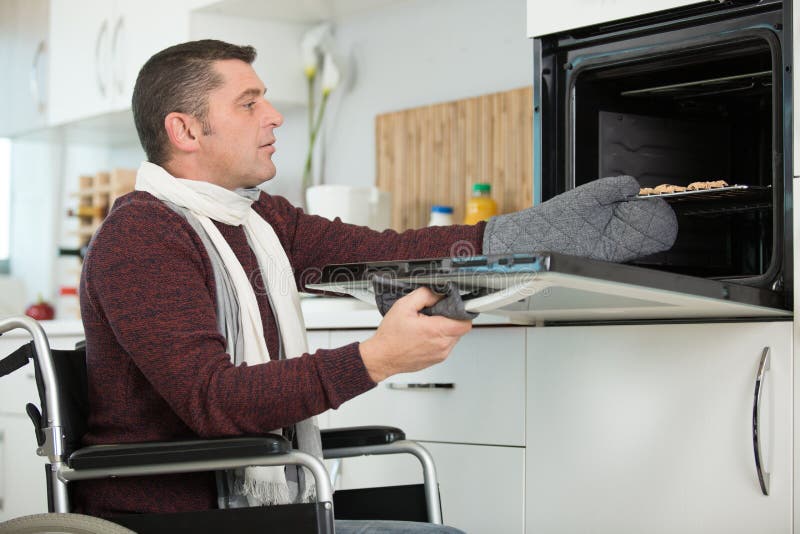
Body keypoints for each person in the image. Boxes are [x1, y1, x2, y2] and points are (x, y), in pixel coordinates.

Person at [75, 39, 676, 532]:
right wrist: (374, 359)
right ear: (185, 130)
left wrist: (536, 235)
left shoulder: (261, 221)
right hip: (169, 517)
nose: (274, 115)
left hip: (269, 505)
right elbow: (216, 401)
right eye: (249, 103)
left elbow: (388, 256)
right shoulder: (143, 236)